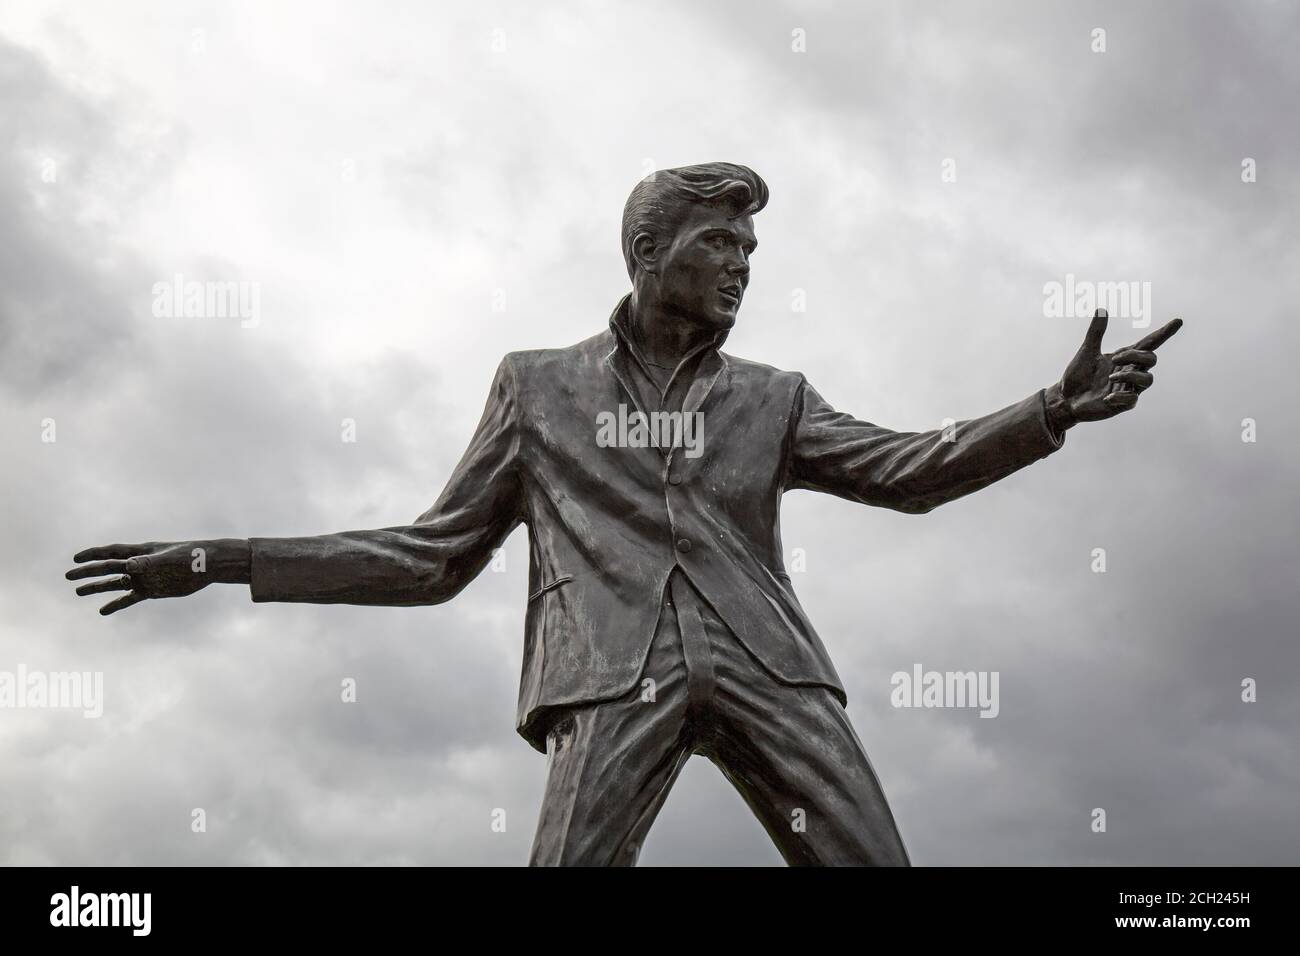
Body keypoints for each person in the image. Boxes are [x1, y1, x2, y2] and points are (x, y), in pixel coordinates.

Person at [67, 162, 1181, 865]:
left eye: (750, 250)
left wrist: (1050, 411)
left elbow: (909, 467)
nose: (741, 265)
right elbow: (431, 553)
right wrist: (218, 559)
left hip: (772, 671)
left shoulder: (772, 397)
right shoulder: (537, 386)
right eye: (718, 244)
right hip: (610, 676)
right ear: (650, 254)